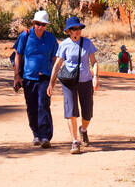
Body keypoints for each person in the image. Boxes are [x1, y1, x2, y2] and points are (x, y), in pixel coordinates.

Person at [48, 15, 98, 154]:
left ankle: (83, 129)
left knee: (87, 113)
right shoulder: (64, 45)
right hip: (69, 82)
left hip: (86, 81)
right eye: (74, 29)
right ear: (69, 31)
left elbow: (94, 61)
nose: (77, 31)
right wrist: (51, 83)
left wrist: (96, 77)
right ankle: (75, 141)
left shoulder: (87, 43)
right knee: (71, 112)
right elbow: (58, 64)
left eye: (79, 28)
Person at [13, 10, 60, 148]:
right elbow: (18, 55)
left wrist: (53, 80)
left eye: (43, 24)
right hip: (28, 78)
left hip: (44, 77)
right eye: (38, 24)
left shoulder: (51, 39)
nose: (40, 27)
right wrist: (16, 76)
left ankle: (45, 136)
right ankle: (36, 134)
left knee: (43, 105)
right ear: (33, 23)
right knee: (32, 107)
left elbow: (54, 59)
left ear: (46, 25)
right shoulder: (25, 36)